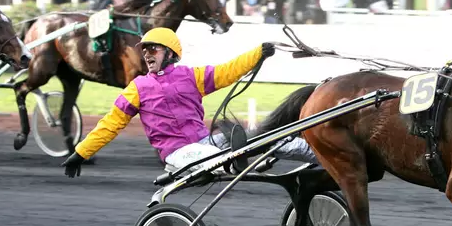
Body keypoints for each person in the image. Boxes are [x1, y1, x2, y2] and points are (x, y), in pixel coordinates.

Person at [61, 28, 316, 178]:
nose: (147, 54)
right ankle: (246, 158)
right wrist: (81, 153)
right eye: (145, 50)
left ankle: (321, 157)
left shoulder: (191, 76)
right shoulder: (136, 89)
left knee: (269, 137)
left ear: (170, 53)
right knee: (221, 154)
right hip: (177, 154)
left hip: (205, 142)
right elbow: (110, 124)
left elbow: (228, 71)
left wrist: (258, 53)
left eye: (154, 49)